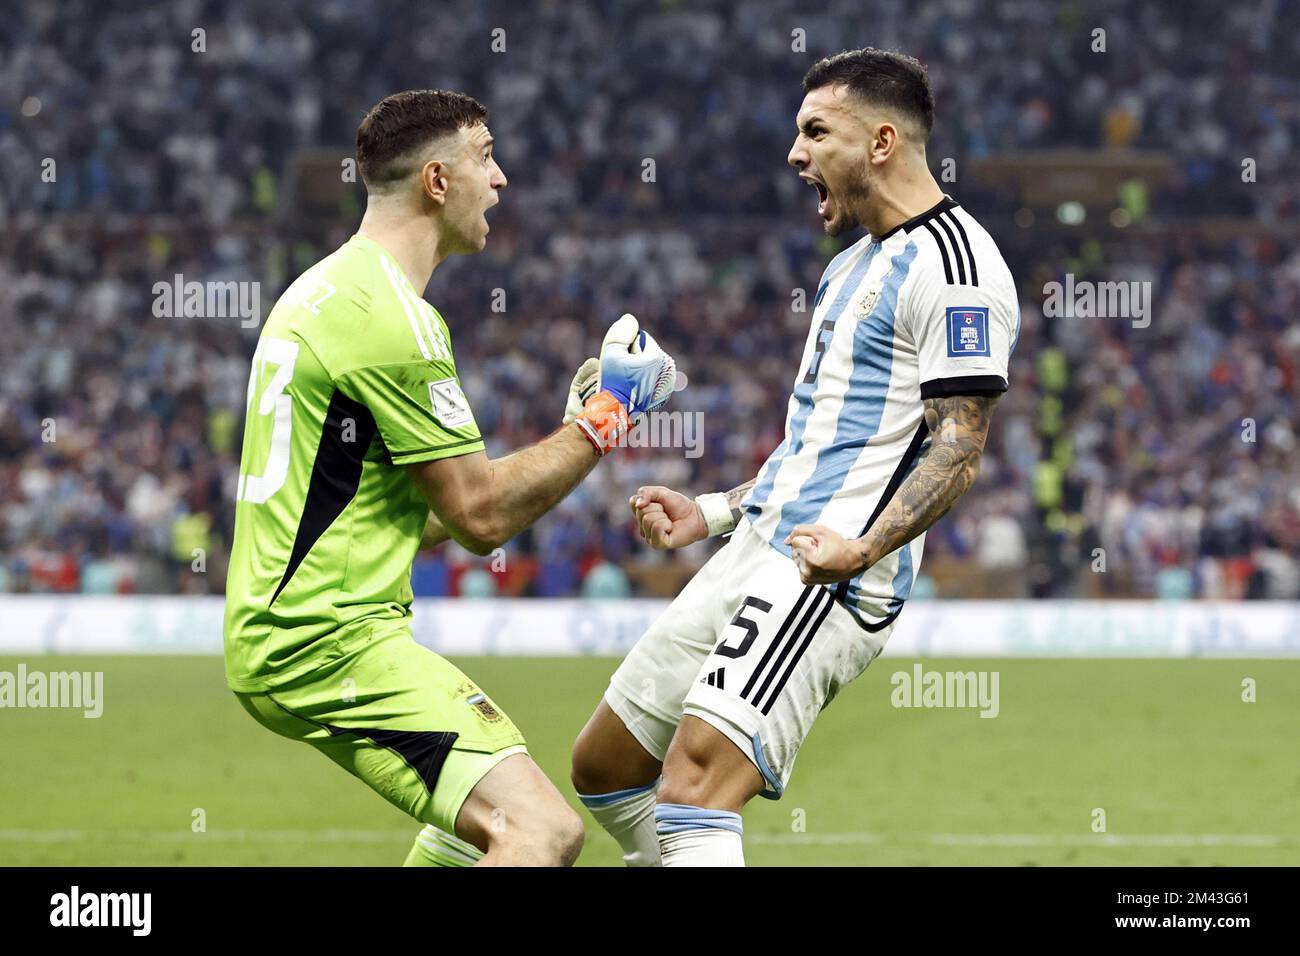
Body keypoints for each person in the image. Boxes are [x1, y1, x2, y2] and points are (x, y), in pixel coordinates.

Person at [570, 48, 1020, 866]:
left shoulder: (957, 269)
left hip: (828, 568)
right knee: (603, 767)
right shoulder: (851, 264)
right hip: (758, 545)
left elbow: (959, 446)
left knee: (695, 787)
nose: (795, 152)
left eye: (815, 131)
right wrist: (709, 512)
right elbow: (817, 447)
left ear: (881, 142)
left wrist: (862, 549)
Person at [224, 89, 677, 866]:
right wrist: (611, 415)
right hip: (323, 641)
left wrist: (572, 435)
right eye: (485, 157)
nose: (499, 179)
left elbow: (421, 517)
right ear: (437, 180)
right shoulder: (390, 319)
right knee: (540, 831)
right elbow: (482, 518)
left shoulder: (326, 290)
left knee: (468, 830)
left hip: (302, 628)